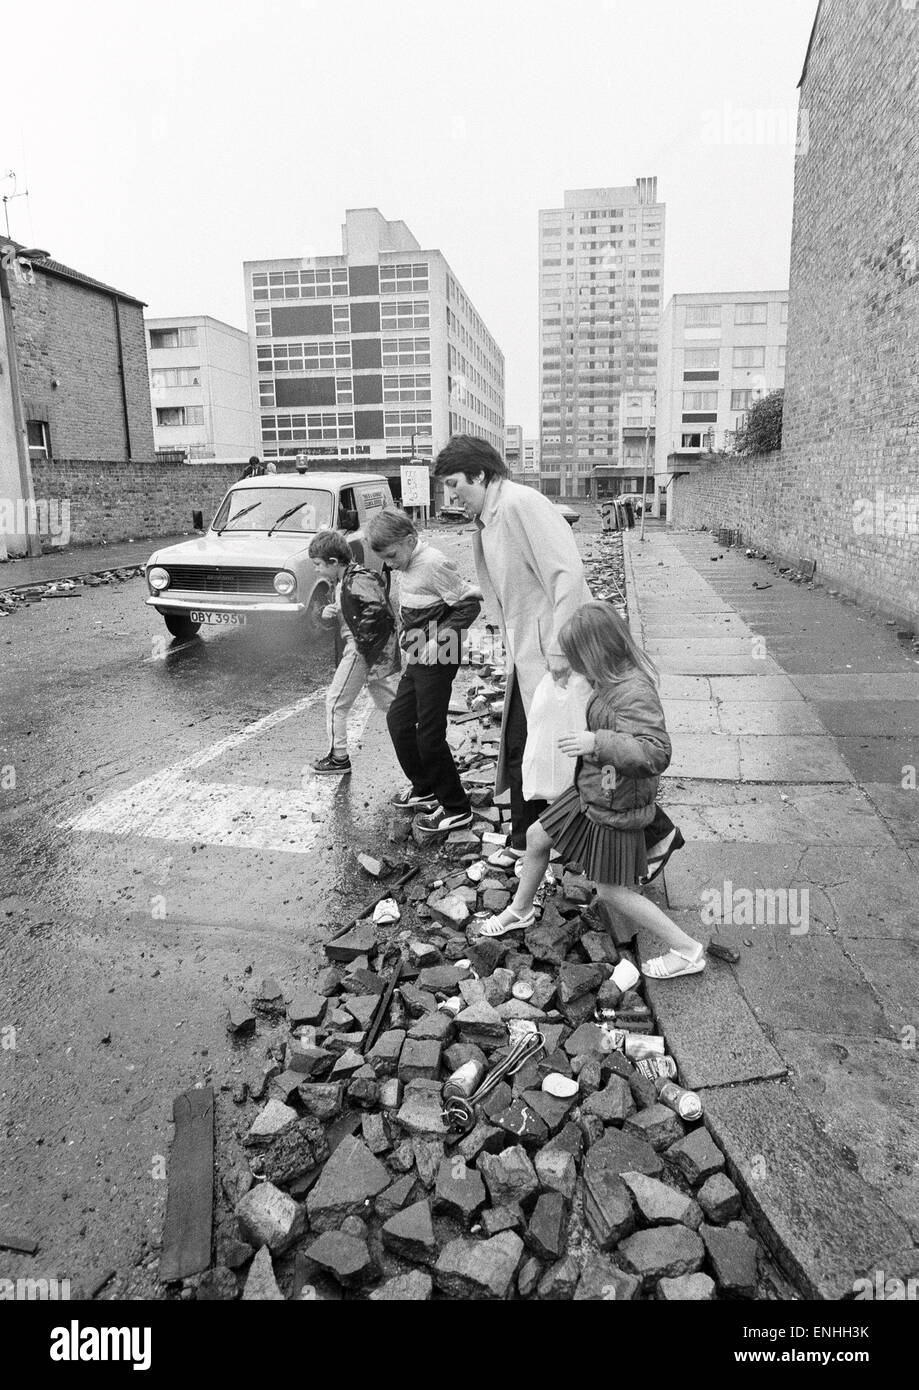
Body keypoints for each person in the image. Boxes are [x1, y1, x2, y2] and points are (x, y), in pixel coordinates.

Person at [477, 602, 705, 981]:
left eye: (577, 656)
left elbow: (656, 752)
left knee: (611, 891)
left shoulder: (634, 692)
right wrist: (562, 670)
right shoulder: (610, 679)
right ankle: (521, 910)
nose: (574, 663)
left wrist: (595, 742)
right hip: (593, 790)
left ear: (596, 653)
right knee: (535, 836)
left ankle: (688, 949)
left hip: (615, 803)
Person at [432, 435, 590, 867]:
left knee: (549, 748)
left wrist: (561, 648)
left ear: (480, 476)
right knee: (526, 747)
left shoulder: (522, 503)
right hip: (530, 655)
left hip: (556, 654)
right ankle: (528, 840)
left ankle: (568, 842)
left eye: (454, 484)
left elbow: (568, 574)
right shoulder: (490, 520)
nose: (450, 496)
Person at [366, 507, 481, 836]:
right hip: (418, 655)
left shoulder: (432, 563)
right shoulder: (404, 562)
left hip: (440, 657)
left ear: (410, 540)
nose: (389, 564)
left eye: (391, 556)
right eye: (385, 559)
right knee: (398, 720)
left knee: (429, 736)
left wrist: (438, 640)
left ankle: (457, 807)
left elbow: (470, 604)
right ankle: (425, 787)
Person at [307, 531, 400, 774]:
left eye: (318, 564)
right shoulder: (345, 581)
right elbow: (354, 611)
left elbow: (376, 610)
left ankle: (339, 758)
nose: (316, 569)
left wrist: (361, 644)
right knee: (390, 703)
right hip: (369, 649)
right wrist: (328, 614)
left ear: (334, 562)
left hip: (360, 649)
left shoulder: (354, 580)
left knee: (336, 702)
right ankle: (419, 737)